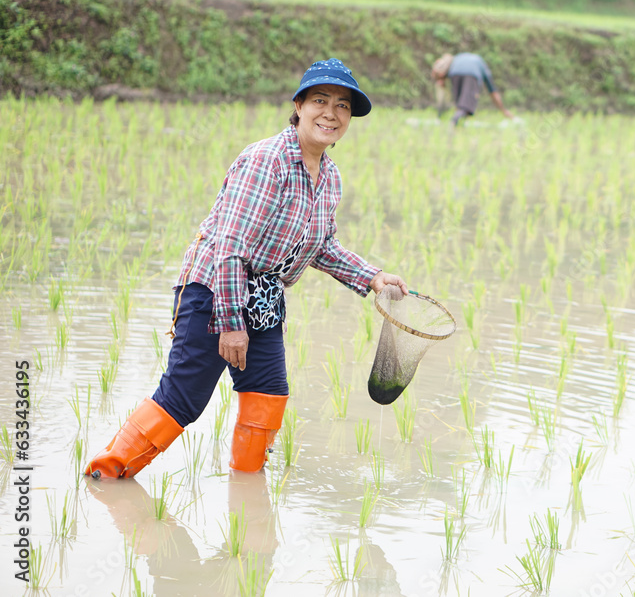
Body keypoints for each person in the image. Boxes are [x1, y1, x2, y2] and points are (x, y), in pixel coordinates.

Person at [86, 58, 407, 479]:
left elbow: (321, 246)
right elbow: (232, 248)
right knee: (184, 397)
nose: (331, 113)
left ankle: (247, 493)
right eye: (320, 100)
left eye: (343, 106)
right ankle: (106, 475)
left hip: (265, 296)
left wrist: (372, 276)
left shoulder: (329, 176)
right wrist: (231, 322)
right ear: (299, 104)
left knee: (269, 393)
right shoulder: (267, 161)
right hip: (215, 290)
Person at [431, 52, 514, 126]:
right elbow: (492, 91)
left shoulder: (459, 58)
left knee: (460, 105)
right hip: (471, 75)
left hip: (454, 74)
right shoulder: (481, 64)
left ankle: (454, 123)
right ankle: (453, 123)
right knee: (465, 108)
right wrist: (504, 110)